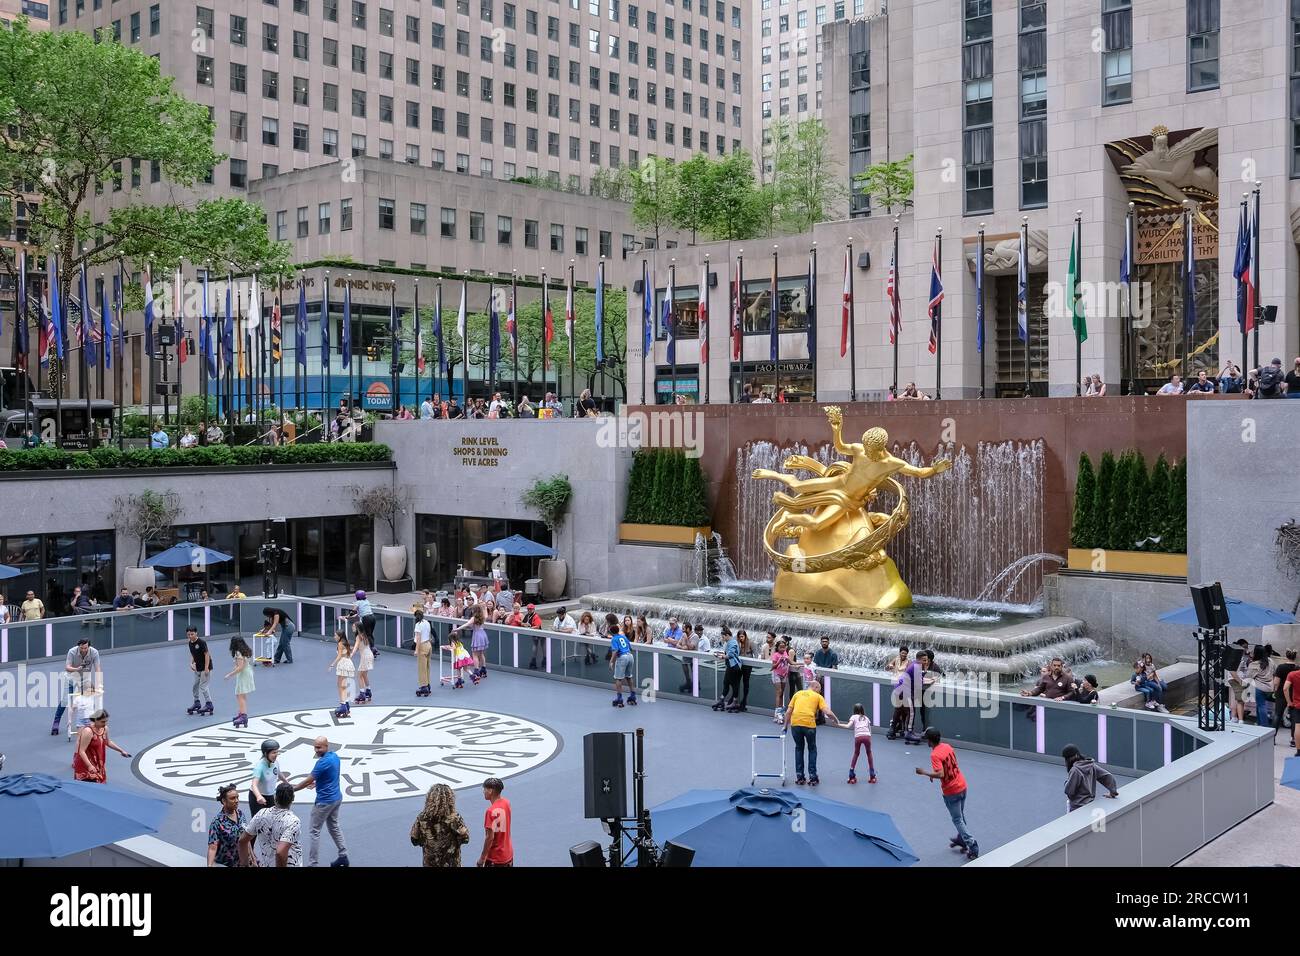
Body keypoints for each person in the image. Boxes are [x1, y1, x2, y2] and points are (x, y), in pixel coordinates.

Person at [916, 727, 979, 859]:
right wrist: (934, 775)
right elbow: (950, 765)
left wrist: (925, 773)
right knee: (960, 816)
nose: (926, 742)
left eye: (927, 739)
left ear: (930, 741)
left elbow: (941, 773)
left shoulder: (934, 755)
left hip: (952, 791)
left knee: (957, 819)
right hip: (962, 785)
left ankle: (972, 844)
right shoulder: (947, 747)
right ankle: (962, 838)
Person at [292, 736, 349, 867]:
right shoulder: (335, 757)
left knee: (314, 831)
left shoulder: (321, 763)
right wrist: (318, 783)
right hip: (336, 798)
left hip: (324, 802)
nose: (316, 750)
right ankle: (343, 855)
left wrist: (292, 789)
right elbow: (331, 775)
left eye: (319, 747)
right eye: (315, 747)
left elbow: (307, 780)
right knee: (334, 827)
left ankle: (313, 864)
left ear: (326, 746)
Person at [783, 678, 838, 786]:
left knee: (799, 748)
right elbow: (827, 711)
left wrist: (785, 726)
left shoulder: (797, 694)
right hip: (809, 725)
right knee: (812, 748)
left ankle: (800, 777)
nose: (820, 692)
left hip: (795, 724)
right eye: (820, 689)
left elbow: (789, 711)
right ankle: (812, 776)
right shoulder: (818, 696)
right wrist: (836, 720)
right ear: (815, 687)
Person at [240, 782, 303, 868]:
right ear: (293, 798)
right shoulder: (293, 821)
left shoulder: (261, 814)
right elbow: (280, 852)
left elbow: (242, 840)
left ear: (275, 797)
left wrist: (244, 864)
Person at [410, 784, 471, 867]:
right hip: (451, 863)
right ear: (450, 799)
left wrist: (427, 843)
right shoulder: (454, 818)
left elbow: (414, 839)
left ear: (429, 799)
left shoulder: (422, 817)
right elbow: (466, 838)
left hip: (430, 863)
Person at [52, 636, 101, 736]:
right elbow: (67, 667)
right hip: (71, 678)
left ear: (89, 646)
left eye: (85, 648)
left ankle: (91, 722)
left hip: (85, 679)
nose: (83, 650)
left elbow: (97, 669)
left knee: (90, 699)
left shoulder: (94, 652)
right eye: (81, 648)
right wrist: (77, 669)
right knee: (66, 700)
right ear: (79, 646)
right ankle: (56, 722)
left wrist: (98, 684)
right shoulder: (72, 651)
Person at [72, 709, 131, 783]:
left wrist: (121, 751)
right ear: (96, 720)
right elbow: (81, 751)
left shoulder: (105, 729)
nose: (105, 724)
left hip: (98, 764)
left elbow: (107, 742)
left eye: (106, 721)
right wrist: (89, 765)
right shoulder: (88, 731)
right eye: (102, 722)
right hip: (86, 764)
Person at [1062, 744, 1119, 811]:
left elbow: (1069, 791)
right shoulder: (1090, 765)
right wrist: (1113, 792)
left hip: (1077, 808)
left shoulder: (1075, 770)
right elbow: (1107, 776)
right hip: (1090, 805)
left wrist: (1066, 782)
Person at [207, 784, 247, 868]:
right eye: (232, 798)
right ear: (224, 801)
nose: (236, 801)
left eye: (237, 797)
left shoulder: (240, 814)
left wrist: (252, 858)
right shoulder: (217, 822)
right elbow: (212, 847)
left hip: (242, 862)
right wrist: (209, 865)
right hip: (226, 863)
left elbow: (246, 838)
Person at [477, 777, 513, 867]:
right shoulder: (506, 803)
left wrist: (482, 858)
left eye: (484, 789)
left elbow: (490, 837)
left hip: (495, 858)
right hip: (508, 854)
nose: (483, 792)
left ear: (490, 791)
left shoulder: (490, 811)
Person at [249, 738, 289, 817]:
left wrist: (287, 783)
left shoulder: (275, 762)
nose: (276, 754)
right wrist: (258, 796)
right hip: (257, 797)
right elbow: (254, 785)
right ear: (265, 753)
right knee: (258, 822)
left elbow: (279, 773)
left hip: (270, 796)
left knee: (271, 820)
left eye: (277, 752)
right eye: (273, 753)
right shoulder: (259, 766)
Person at [450, 607, 490, 683]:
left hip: (477, 635)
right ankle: (483, 669)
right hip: (483, 634)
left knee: (474, 654)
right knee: (481, 653)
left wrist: (457, 629)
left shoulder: (474, 618)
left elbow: (467, 624)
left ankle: (476, 670)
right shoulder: (483, 617)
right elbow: (473, 626)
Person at [223, 637, 255, 728]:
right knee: (241, 695)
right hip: (247, 672)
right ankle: (241, 713)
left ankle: (243, 715)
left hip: (243, 674)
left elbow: (240, 667)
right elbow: (242, 665)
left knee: (240, 695)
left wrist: (229, 675)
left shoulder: (238, 653)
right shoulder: (244, 651)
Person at [185, 625, 214, 717]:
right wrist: (191, 663)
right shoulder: (190, 643)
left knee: (203, 686)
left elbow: (207, 655)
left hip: (205, 667)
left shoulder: (201, 642)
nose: (190, 636)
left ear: (196, 633)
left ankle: (209, 703)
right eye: (188, 634)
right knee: (195, 685)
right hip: (197, 668)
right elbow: (193, 654)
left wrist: (206, 668)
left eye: (192, 634)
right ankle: (197, 702)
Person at [713, 626, 743, 712]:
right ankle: (722, 701)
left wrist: (721, 656)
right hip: (731, 666)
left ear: (727, 635)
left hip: (734, 667)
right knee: (726, 683)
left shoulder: (732, 642)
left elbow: (731, 654)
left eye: (723, 637)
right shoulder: (730, 642)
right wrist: (721, 654)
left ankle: (733, 702)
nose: (722, 639)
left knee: (733, 685)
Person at [846, 702, 877, 784]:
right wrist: (869, 739)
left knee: (856, 753)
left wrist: (838, 724)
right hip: (867, 736)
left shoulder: (853, 717)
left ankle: (851, 774)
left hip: (858, 737)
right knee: (869, 753)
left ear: (854, 710)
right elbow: (870, 731)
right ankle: (872, 775)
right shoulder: (866, 718)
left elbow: (848, 726)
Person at [1222, 637, 1251, 723]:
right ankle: (1240, 719)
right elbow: (1232, 671)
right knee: (1240, 701)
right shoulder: (1237, 656)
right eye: (1245, 647)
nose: (1247, 649)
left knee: (1234, 700)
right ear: (1240, 646)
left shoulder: (1239, 655)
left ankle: (1234, 717)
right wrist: (1240, 681)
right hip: (1236, 680)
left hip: (1233, 680)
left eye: (1247, 647)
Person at [329, 626, 356, 718]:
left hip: (343, 664)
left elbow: (339, 655)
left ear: (340, 636)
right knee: (342, 685)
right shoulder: (345, 642)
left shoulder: (340, 644)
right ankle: (345, 704)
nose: (334, 637)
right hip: (347, 663)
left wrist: (332, 664)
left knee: (341, 686)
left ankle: (343, 705)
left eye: (335, 635)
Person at [608, 622, 637, 707]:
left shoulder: (614, 639)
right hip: (630, 656)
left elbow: (615, 650)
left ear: (611, 632)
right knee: (629, 676)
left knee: (618, 678)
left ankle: (619, 699)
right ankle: (633, 696)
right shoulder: (623, 637)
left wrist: (611, 661)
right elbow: (630, 647)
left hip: (622, 657)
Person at [1272, 648, 1298, 740]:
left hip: (1281, 694)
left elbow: (1276, 682)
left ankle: (1273, 738)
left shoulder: (1281, 667)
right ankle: (1293, 739)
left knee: (1277, 714)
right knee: (1295, 718)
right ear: (1295, 657)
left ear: (1286, 656)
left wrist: (1275, 690)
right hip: (1294, 695)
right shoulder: (1298, 668)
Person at [1248, 645, 1275, 726]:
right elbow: (1275, 672)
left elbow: (1249, 676)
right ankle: (1260, 723)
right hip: (1270, 688)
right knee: (1260, 705)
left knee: (1261, 705)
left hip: (1259, 688)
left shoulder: (1254, 664)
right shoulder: (1270, 661)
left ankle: (1264, 725)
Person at [351, 618, 375, 704]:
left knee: (359, 675)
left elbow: (356, 647)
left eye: (353, 627)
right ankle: (368, 691)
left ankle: (362, 694)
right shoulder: (364, 635)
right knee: (364, 675)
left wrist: (351, 655)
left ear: (357, 628)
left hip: (365, 656)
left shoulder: (358, 636)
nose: (352, 628)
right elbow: (360, 647)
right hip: (369, 655)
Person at [770, 637, 793, 724]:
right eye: (781, 647)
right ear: (777, 648)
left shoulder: (786, 653)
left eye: (784, 647)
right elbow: (773, 667)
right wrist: (779, 661)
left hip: (784, 675)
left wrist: (802, 664)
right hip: (776, 675)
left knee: (782, 693)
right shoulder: (775, 655)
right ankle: (777, 713)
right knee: (779, 692)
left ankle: (780, 711)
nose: (783, 649)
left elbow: (791, 662)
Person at [412, 607, 433, 697]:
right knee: (427, 666)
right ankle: (428, 684)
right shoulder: (427, 622)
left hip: (422, 646)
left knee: (421, 668)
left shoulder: (418, 625)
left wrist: (416, 650)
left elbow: (418, 638)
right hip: (428, 645)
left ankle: (424, 686)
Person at [1282, 662, 1300, 757]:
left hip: (1297, 705)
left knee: (1298, 726)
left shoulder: (1292, 674)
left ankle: (1299, 751)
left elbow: (1285, 688)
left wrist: (1289, 702)